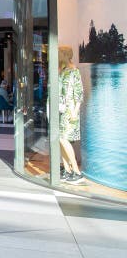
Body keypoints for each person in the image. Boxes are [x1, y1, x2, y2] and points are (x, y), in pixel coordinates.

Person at [58, 45, 84, 184]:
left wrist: (75, 111)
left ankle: (76, 171)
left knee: (63, 139)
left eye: (59, 53)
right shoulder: (62, 70)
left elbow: (79, 93)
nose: (58, 56)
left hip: (70, 110)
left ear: (65, 54)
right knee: (59, 139)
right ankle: (67, 169)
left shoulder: (74, 71)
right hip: (61, 109)